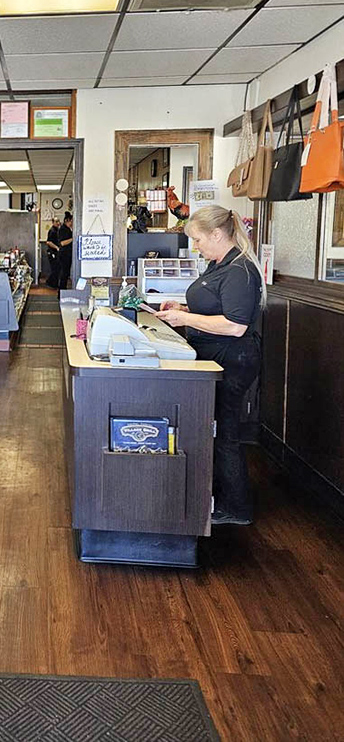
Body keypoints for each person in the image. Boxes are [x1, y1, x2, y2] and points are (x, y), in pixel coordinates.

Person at [154, 205, 265, 527]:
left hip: (232, 359)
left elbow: (235, 325)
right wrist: (183, 307)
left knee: (226, 432)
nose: (196, 247)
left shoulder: (239, 271)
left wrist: (185, 318)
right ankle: (218, 494)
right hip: (213, 355)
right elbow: (214, 307)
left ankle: (236, 507)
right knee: (214, 428)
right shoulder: (219, 265)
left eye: (199, 240)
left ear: (217, 234)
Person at [57, 212, 73, 291]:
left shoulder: (68, 229)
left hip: (67, 254)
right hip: (64, 255)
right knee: (64, 273)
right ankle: (61, 291)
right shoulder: (62, 229)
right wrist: (73, 238)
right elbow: (62, 243)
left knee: (65, 274)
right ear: (67, 220)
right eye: (71, 221)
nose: (72, 223)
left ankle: (63, 290)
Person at [45, 217, 61, 288]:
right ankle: (50, 283)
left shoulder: (57, 230)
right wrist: (57, 247)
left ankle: (53, 283)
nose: (58, 223)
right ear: (53, 222)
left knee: (57, 268)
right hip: (52, 252)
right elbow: (48, 242)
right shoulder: (52, 231)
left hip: (56, 252)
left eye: (58, 221)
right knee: (55, 268)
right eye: (56, 221)